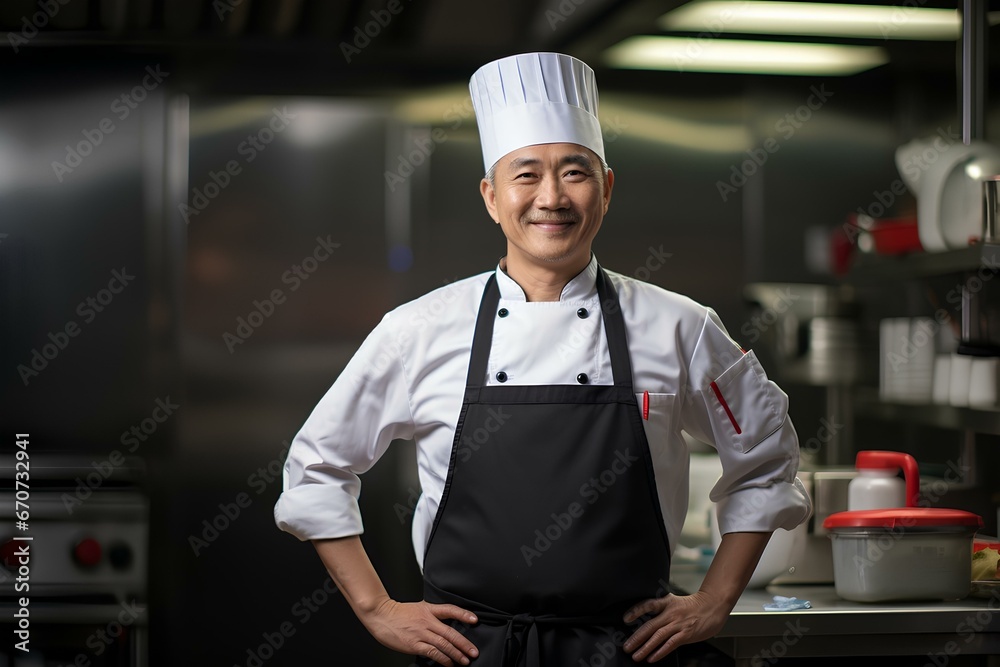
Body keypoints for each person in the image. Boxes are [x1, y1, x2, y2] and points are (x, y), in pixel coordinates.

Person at [275, 52, 812, 666]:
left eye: (575, 173)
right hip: (471, 653)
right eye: (525, 174)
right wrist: (377, 609)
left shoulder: (679, 327)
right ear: (491, 196)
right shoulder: (418, 330)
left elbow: (766, 459)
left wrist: (715, 600)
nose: (551, 197)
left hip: (627, 652)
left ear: (606, 189)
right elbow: (315, 468)